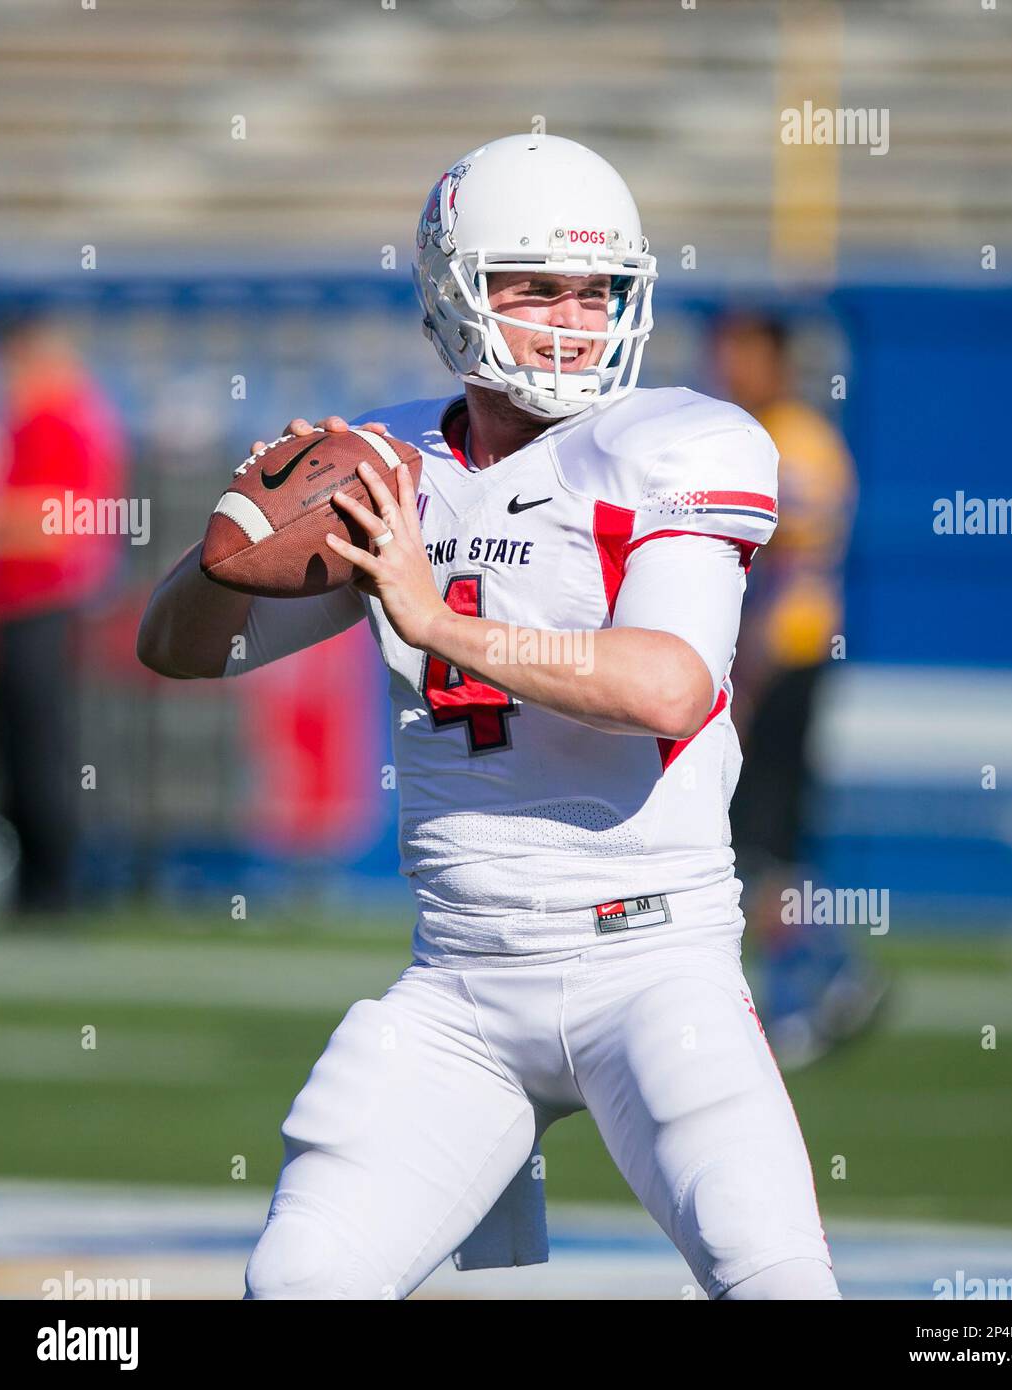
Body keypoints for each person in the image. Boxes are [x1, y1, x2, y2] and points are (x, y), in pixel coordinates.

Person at [137, 135, 839, 1300]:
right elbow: (182, 652)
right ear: (456, 294)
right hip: (462, 983)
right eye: (534, 285)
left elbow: (669, 684)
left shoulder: (676, 442)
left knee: (777, 1282)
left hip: (653, 964)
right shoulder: (392, 459)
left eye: (596, 289)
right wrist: (231, 555)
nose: (572, 317)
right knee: (300, 1280)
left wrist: (437, 618)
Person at [711, 312, 887, 1068]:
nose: (729, 368)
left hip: (784, 656)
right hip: (773, 655)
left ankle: (807, 987)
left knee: (760, 835)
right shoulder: (764, 433)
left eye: (743, 353)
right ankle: (833, 974)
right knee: (764, 835)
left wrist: (747, 669)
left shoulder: (793, 440)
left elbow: (784, 554)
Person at [0, 315, 126, 912]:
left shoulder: (58, 419)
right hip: (18, 608)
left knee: (38, 751)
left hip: (36, 606)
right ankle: (34, 885)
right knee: (22, 751)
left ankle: (50, 889)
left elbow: (59, 521)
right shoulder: (35, 421)